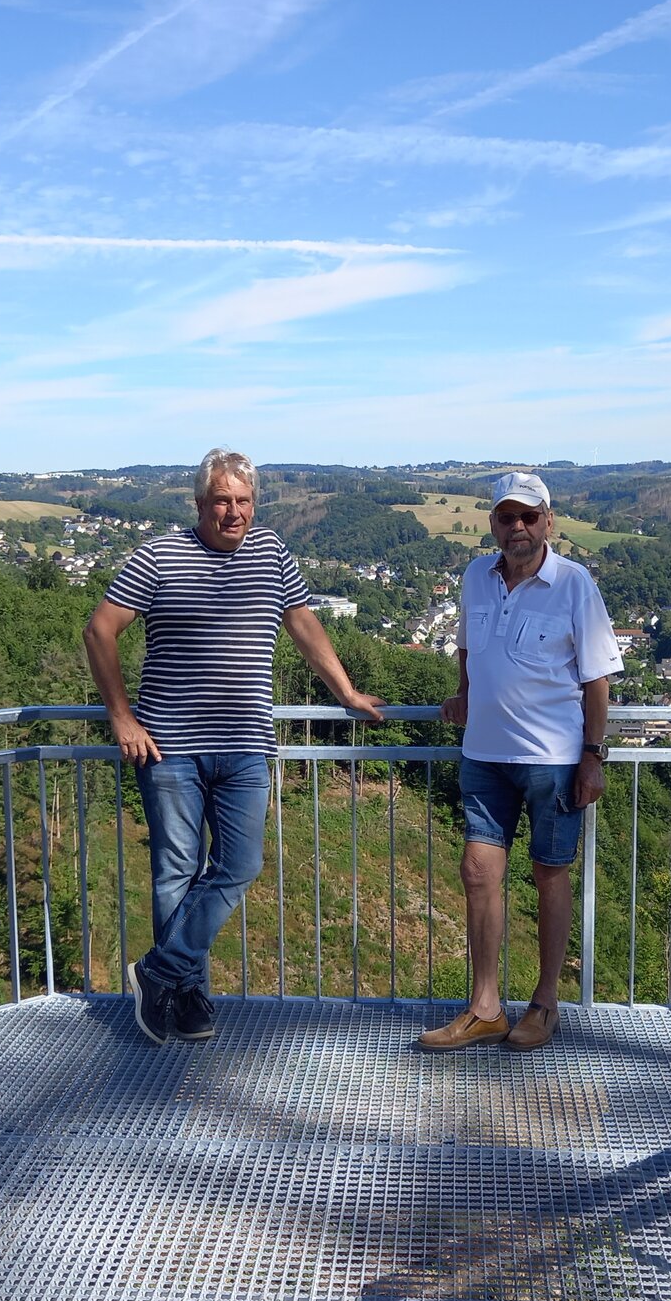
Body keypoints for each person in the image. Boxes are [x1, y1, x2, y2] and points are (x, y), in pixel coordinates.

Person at [84, 448, 386, 1045]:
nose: (233, 511)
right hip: (169, 746)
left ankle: (159, 972)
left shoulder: (272, 554)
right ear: (200, 503)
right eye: (221, 500)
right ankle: (187, 993)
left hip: (246, 744)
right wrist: (121, 717)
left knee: (240, 865)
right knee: (176, 869)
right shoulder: (159, 555)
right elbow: (99, 629)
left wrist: (346, 690)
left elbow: (303, 624)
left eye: (243, 500)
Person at [421, 472, 622, 1053]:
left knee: (548, 874)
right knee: (479, 873)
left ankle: (544, 1004)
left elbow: (597, 678)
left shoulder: (575, 584)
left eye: (529, 517)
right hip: (483, 754)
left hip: (553, 760)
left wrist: (592, 756)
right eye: (507, 517)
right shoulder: (475, 578)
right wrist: (460, 691)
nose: (518, 527)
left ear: (548, 522)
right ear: (492, 524)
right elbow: (465, 644)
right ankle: (485, 1008)